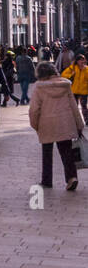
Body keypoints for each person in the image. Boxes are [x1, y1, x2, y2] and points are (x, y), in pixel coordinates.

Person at [28, 61, 83, 191]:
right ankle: (71, 177)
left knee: (47, 152)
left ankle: (47, 180)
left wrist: (35, 125)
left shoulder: (39, 87)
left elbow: (34, 110)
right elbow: (74, 106)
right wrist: (79, 124)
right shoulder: (65, 85)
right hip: (65, 122)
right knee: (67, 151)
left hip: (46, 123)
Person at [61, 54, 88, 123]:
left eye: (83, 60)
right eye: (80, 60)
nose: (82, 62)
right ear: (77, 61)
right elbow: (63, 75)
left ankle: (87, 120)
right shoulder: (72, 68)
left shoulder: (86, 69)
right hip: (74, 90)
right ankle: (75, 120)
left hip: (84, 90)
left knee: (84, 106)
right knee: (74, 107)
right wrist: (71, 74)